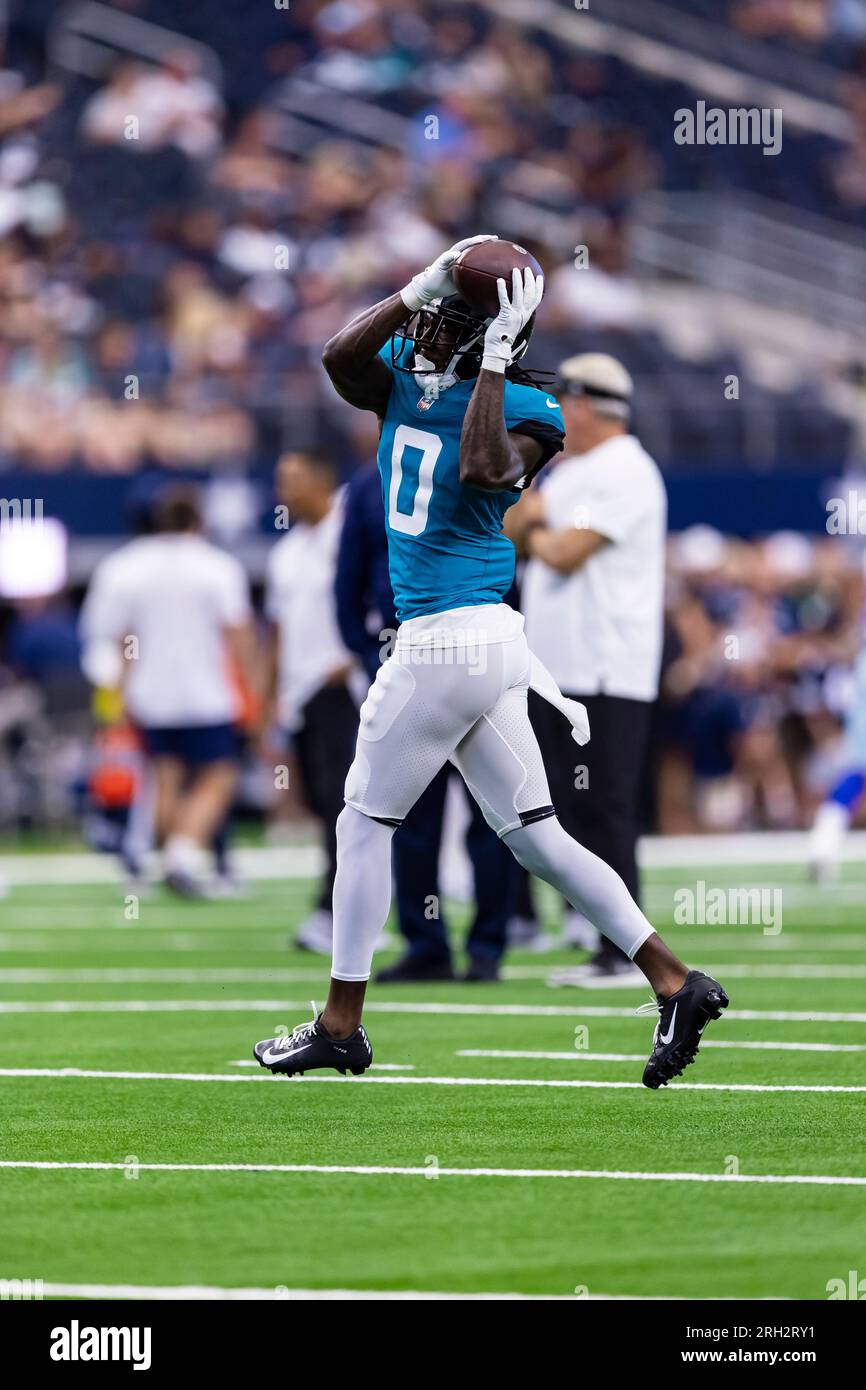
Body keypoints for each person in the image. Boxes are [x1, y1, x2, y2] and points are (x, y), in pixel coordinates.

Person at [253, 234, 728, 1089]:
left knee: (363, 824)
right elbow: (336, 357)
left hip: (447, 639)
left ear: (492, 335)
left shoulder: (531, 411)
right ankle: (674, 978)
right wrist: (413, 288)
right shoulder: (404, 365)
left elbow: (483, 465)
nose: (429, 331)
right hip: (482, 647)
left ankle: (339, 1023)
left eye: (450, 318)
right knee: (536, 835)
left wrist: (496, 363)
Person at [509, 353, 666, 983]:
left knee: (605, 806)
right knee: (567, 807)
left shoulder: (627, 469)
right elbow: (516, 521)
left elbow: (564, 551)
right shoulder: (575, 471)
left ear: (581, 403)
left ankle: (623, 949)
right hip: (560, 667)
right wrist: (541, 525)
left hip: (607, 666)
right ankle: (601, 934)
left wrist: (540, 528)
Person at [336, 462, 516, 982]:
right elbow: (348, 580)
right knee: (407, 818)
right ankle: (426, 942)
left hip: (474, 655)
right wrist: (370, 656)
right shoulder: (372, 481)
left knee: (500, 815)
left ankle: (488, 944)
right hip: (407, 658)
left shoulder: (482, 459)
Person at [80, 484, 254, 896]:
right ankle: (182, 852)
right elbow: (241, 636)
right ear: (199, 520)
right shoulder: (217, 566)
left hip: (150, 694)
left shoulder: (130, 567)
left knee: (165, 777)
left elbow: (120, 640)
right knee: (219, 775)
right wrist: (259, 691)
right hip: (206, 693)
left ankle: (171, 856)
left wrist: (116, 696)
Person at [265, 451, 360, 952]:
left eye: (294, 481)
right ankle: (335, 908)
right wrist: (269, 702)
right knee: (325, 805)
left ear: (324, 482)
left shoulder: (350, 534)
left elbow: (375, 600)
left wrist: (352, 659)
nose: (284, 493)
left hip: (344, 689)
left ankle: (333, 910)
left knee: (346, 804)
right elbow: (278, 633)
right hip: (301, 694)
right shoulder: (286, 552)